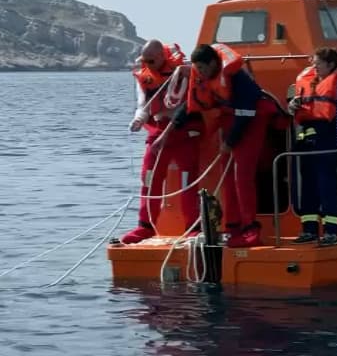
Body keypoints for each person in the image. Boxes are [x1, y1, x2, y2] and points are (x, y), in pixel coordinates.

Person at [164, 43, 279, 248]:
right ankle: (233, 226)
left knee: (242, 175)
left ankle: (250, 228)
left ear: (214, 63)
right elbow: (190, 105)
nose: (200, 72)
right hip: (231, 120)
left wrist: (230, 142)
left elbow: (246, 113)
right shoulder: (203, 78)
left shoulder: (237, 78)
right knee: (228, 178)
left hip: (251, 121)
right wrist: (170, 129)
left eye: (203, 67)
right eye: (197, 68)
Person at [120, 39, 203, 244]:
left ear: (161, 57)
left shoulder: (183, 72)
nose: (147, 64)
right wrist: (138, 120)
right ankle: (145, 226)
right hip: (157, 131)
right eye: (145, 60)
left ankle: (193, 226)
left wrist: (190, 73)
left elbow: (189, 99)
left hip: (183, 132)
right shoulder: (144, 76)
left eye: (151, 60)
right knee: (149, 179)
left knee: (187, 181)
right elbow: (143, 104)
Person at [287, 47, 337, 246]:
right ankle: (309, 229)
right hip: (306, 141)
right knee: (307, 185)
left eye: (318, 64)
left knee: (327, 185)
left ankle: (331, 231)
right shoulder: (307, 84)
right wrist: (294, 106)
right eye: (313, 64)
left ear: (330, 65)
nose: (314, 67)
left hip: (327, 141)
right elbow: (295, 113)